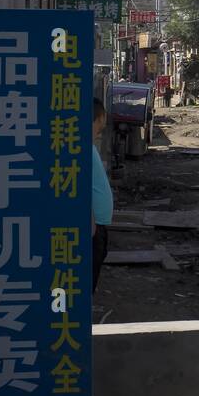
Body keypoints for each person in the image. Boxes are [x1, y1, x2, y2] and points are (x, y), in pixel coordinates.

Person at [92, 97, 113, 292]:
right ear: (100, 117)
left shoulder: (89, 148)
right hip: (92, 226)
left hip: (98, 225)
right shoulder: (82, 150)